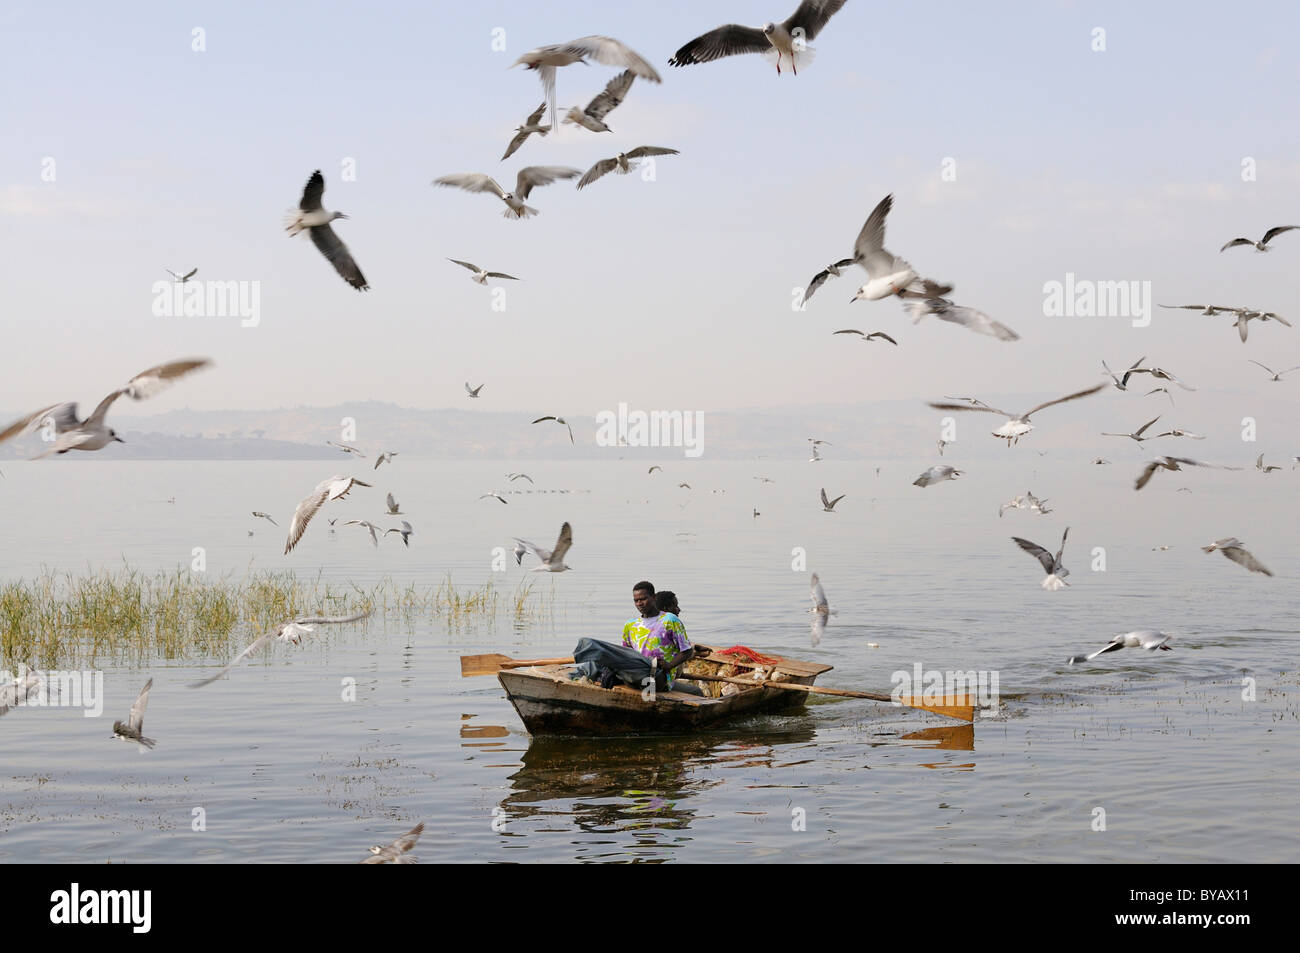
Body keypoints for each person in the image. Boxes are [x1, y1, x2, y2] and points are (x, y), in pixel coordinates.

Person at [623, 581, 697, 692]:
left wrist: (669, 665)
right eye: (636, 600)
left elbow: (687, 651)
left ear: (653, 597)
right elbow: (626, 652)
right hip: (636, 676)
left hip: (659, 679)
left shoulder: (670, 620)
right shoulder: (630, 625)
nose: (639, 603)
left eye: (643, 599)